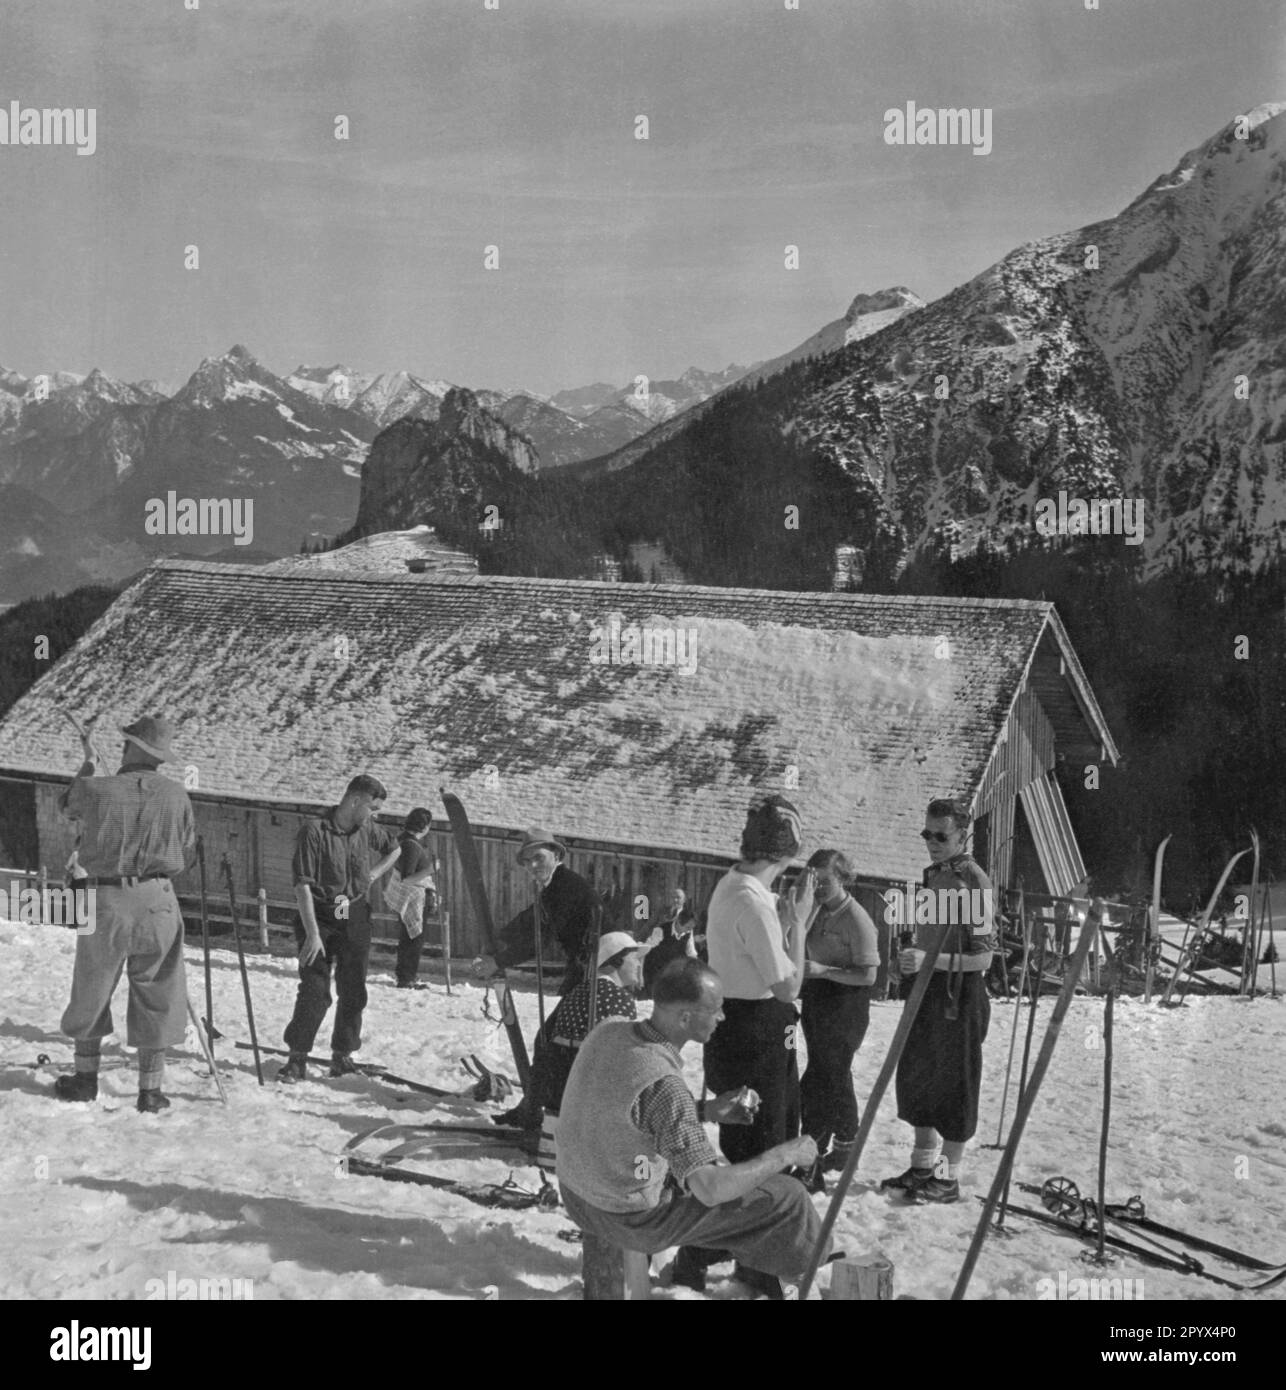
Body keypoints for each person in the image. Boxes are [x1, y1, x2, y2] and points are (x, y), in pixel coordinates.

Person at [557, 958, 827, 1300]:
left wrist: (707, 1111)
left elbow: (620, 1109)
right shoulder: (664, 1084)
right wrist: (786, 1152)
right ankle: (798, 1289)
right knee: (787, 1199)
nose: (722, 1017)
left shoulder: (608, 1031)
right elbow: (710, 1189)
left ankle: (748, 1267)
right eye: (715, 1009)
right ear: (685, 1017)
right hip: (626, 1218)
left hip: (576, 1193)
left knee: (740, 1192)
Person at [698, 793, 815, 1293]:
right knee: (766, 1152)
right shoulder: (752, 900)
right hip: (757, 1032)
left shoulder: (736, 886)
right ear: (787, 854)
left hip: (741, 1026)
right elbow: (789, 986)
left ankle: (700, 1254)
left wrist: (786, 922)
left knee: (748, 1150)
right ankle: (756, 1266)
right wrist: (801, 927)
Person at [53, 714, 195, 1114]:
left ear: (131, 746)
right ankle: (150, 1092)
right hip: (158, 899)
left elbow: (67, 805)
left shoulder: (96, 790)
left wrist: (88, 764)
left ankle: (84, 1080)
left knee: (93, 985)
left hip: (106, 900)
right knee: (160, 990)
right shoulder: (177, 795)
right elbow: (186, 852)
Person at [881, 797, 995, 1204]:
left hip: (959, 996)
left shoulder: (975, 881)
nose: (932, 842)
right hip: (926, 989)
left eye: (941, 836)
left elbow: (984, 955)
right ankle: (922, 1167)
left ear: (964, 835)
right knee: (917, 1080)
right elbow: (929, 937)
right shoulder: (933, 875)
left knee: (954, 1087)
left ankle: (946, 1179)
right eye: (927, 834)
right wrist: (907, 963)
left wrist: (930, 960)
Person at [477, 828, 602, 1129]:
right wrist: (497, 937)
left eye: (539, 858)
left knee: (557, 1044)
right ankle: (537, 1109)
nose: (533, 865)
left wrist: (499, 959)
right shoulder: (555, 887)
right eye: (528, 861)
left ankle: (547, 1115)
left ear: (557, 856)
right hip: (587, 970)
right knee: (552, 1043)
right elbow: (530, 919)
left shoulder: (566, 886)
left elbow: (540, 937)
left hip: (600, 973)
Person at [278, 775, 399, 1083]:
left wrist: (372, 875)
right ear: (355, 801)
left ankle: (342, 1056)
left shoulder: (366, 828)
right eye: (373, 807)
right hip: (318, 914)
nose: (375, 815)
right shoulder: (314, 831)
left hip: (352, 908)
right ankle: (297, 1059)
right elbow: (302, 886)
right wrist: (314, 934)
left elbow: (394, 850)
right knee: (315, 990)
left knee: (353, 987)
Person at [531, 931, 645, 1177]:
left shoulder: (579, 991)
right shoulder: (618, 999)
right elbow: (620, 1057)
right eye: (634, 959)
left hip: (559, 1092)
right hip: (588, 1096)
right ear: (616, 961)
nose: (638, 965)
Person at [798, 849, 880, 1186]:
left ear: (843, 879)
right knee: (831, 1072)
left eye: (826, 881)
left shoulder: (856, 919)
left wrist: (824, 970)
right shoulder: (817, 910)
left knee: (821, 1082)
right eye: (813, 880)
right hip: (818, 999)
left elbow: (869, 976)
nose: (819, 887)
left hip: (846, 1004)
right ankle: (848, 1142)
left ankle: (810, 1163)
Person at [384, 807, 438, 989]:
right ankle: (406, 978)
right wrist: (431, 869)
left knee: (408, 937)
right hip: (412, 898)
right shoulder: (411, 845)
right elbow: (407, 878)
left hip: (408, 897)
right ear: (424, 826)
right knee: (414, 939)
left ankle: (406, 976)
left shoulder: (403, 839)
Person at [641, 886, 703, 997]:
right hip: (655, 974)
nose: (689, 930)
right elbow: (646, 949)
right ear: (678, 921)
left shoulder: (688, 932)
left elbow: (691, 953)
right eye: (687, 927)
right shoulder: (661, 930)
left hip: (671, 975)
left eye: (691, 928)